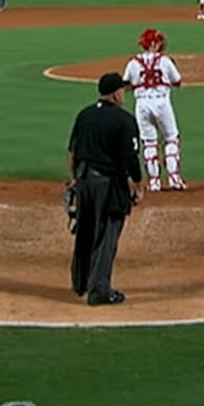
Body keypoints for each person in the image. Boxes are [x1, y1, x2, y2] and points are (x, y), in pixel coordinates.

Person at [65, 72, 144, 306]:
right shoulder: (124, 120)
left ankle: (80, 282)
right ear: (115, 93)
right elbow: (130, 159)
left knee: (85, 231)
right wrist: (138, 186)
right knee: (107, 234)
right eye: (122, 90)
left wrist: (75, 181)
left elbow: (72, 153)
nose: (124, 94)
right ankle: (99, 289)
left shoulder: (84, 115)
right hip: (108, 185)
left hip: (84, 181)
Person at [121, 27, 187, 191]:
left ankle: (154, 182)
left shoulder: (133, 63)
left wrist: (140, 85)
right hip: (162, 103)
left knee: (149, 142)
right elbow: (178, 81)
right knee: (171, 138)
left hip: (142, 104)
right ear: (155, 44)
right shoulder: (165, 61)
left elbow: (125, 85)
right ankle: (174, 179)